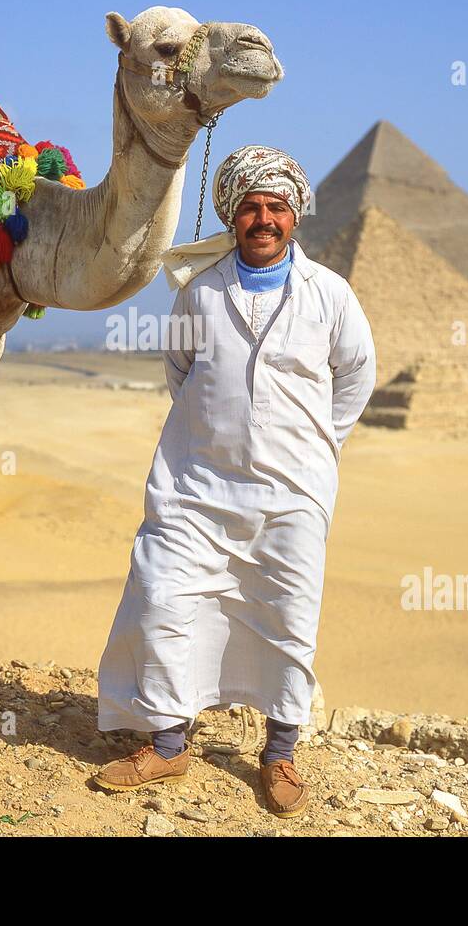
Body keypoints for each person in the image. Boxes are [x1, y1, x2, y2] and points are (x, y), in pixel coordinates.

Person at [93, 145, 377, 818]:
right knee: (164, 595)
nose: (263, 217)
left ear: (296, 214)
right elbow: (181, 371)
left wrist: (316, 449)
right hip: (197, 487)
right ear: (233, 213)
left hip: (293, 496)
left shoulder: (330, 294)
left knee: (288, 619)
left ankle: (279, 753)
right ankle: (167, 742)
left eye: (276, 206)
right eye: (251, 206)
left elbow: (357, 376)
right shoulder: (201, 291)